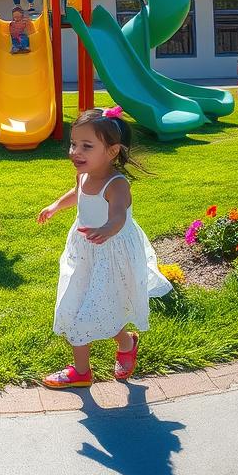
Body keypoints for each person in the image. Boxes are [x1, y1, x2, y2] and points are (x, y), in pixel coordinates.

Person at [37, 107, 172, 388]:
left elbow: (119, 215)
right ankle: (83, 370)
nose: (75, 152)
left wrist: (107, 230)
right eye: (73, 144)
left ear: (112, 152)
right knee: (76, 304)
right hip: (84, 252)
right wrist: (55, 206)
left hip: (111, 254)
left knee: (101, 307)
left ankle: (124, 344)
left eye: (86, 146)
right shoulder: (83, 175)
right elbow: (77, 194)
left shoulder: (116, 184)